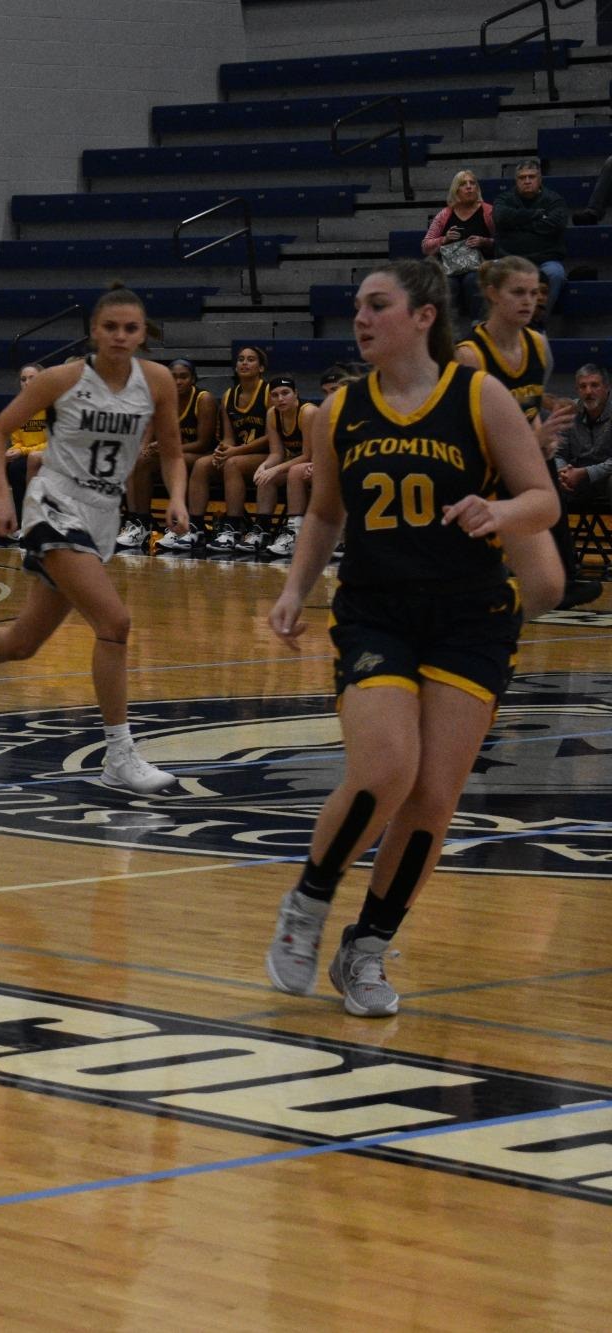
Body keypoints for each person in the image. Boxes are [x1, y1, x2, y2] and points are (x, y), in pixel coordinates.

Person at [263, 259, 559, 1017]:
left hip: (471, 618)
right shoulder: (338, 412)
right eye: (357, 305)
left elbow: (542, 499)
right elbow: (326, 512)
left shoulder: (478, 394)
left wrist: (499, 515)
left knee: (432, 796)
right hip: (377, 611)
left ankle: (365, 947)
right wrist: (296, 586)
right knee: (386, 766)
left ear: (424, 316)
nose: (361, 318)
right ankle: (309, 897)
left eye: (377, 305)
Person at [0, 285, 189, 795]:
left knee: (24, 642)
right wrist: (2, 497)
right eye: (110, 327)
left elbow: (175, 453)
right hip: (54, 503)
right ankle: (119, 755)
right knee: (114, 622)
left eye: (130, 328)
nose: (120, 336)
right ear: (94, 331)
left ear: (143, 334)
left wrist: (177, 498)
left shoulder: (157, 382)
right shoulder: (63, 379)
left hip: (102, 514)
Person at [455, 255, 581, 608]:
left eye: (535, 293)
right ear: (492, 293)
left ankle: (560, 582)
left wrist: (543, 443)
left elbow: (529, 409)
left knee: (549, 588)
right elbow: (463, 440)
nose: (530, 301)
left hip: (520, 461)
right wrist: (530, 445)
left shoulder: (538, 345)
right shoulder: (470, 355)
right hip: (479, 472)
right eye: (519, 293)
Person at [189, 345, 271, 552]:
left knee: (232, 463)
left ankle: (233, 526)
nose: (244, 363)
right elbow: (228, 436)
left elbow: (273, 437)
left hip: (267, 455)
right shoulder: (228, 395)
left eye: (251, 359)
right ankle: (194, 526)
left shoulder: (269, 392)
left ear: (261, 368)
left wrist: (234, 453)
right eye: (241, 359)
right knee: (202, 464)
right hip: (240, 454)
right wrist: (222, 450)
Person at [553, 362, 610, 607]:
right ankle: (563, 567)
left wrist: (586, 473)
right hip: (575, 480)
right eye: (583, 386)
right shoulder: (569, 413)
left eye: (595, 385)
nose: (589, 391)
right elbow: (556, 451)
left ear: (607, 388)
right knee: (548, 489)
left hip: (605, 479)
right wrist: (562, 472)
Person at [0, 363, 48, 543]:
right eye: (23, 379)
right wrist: (10, 452)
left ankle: (22, 523)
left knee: (17, 470)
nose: (26, 383)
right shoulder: (19, 407)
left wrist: (22, 451)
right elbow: (16, 440)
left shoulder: (51, 406)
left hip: (45, 456)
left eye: (32, 378)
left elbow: (52, 442)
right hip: (25, 454)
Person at [156, 359, 218, 553]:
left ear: (193, 379)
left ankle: (195, 526)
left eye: (183, 377)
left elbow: (204, 444)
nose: (178, 381)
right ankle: (138, 522)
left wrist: (168, 449)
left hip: (206, 456)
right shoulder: (163, 398)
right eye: (173, 377)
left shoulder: (203, 399)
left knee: (180, 462)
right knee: (142, 461)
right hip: (179, 454)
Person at [493, 158, 569, 314]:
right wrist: (536, 215)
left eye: (531, 177)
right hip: (510, 258)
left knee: (556, 274)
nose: (527, 181)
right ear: (516, 180)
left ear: (540, 179)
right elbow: (500, 217)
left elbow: (556, 225)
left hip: (545, 260)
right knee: (489, 272)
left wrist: (517, 224)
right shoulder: (503, 199)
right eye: (522, 177)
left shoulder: (554, 200)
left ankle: (538, 324)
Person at [253, 377, 315, 557]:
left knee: (292, 473)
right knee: (265, 478)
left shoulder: (307, 412)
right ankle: (261, 531)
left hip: (316, 462)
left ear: (296, 393)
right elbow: (276, 454)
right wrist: (265, 466)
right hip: (296, 463)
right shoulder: (272, 414)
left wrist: (276, 469)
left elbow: (307, 455)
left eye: (285, 393)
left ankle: (295, 534)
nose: (280, 398)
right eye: (275, 395)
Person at [422, 169, 496, 318]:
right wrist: (445, 239)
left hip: (479, 266)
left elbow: (503, 241)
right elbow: (426, 246)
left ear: (477, 188)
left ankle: (478, 326)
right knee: (449, 285)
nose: (469, 187)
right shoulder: (445, 214)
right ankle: (450, 331)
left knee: (472, 280)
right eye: (463, 184)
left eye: (472, 183)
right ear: (456, 190)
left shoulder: (488, 212)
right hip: (450, 268)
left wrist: (485, 241)